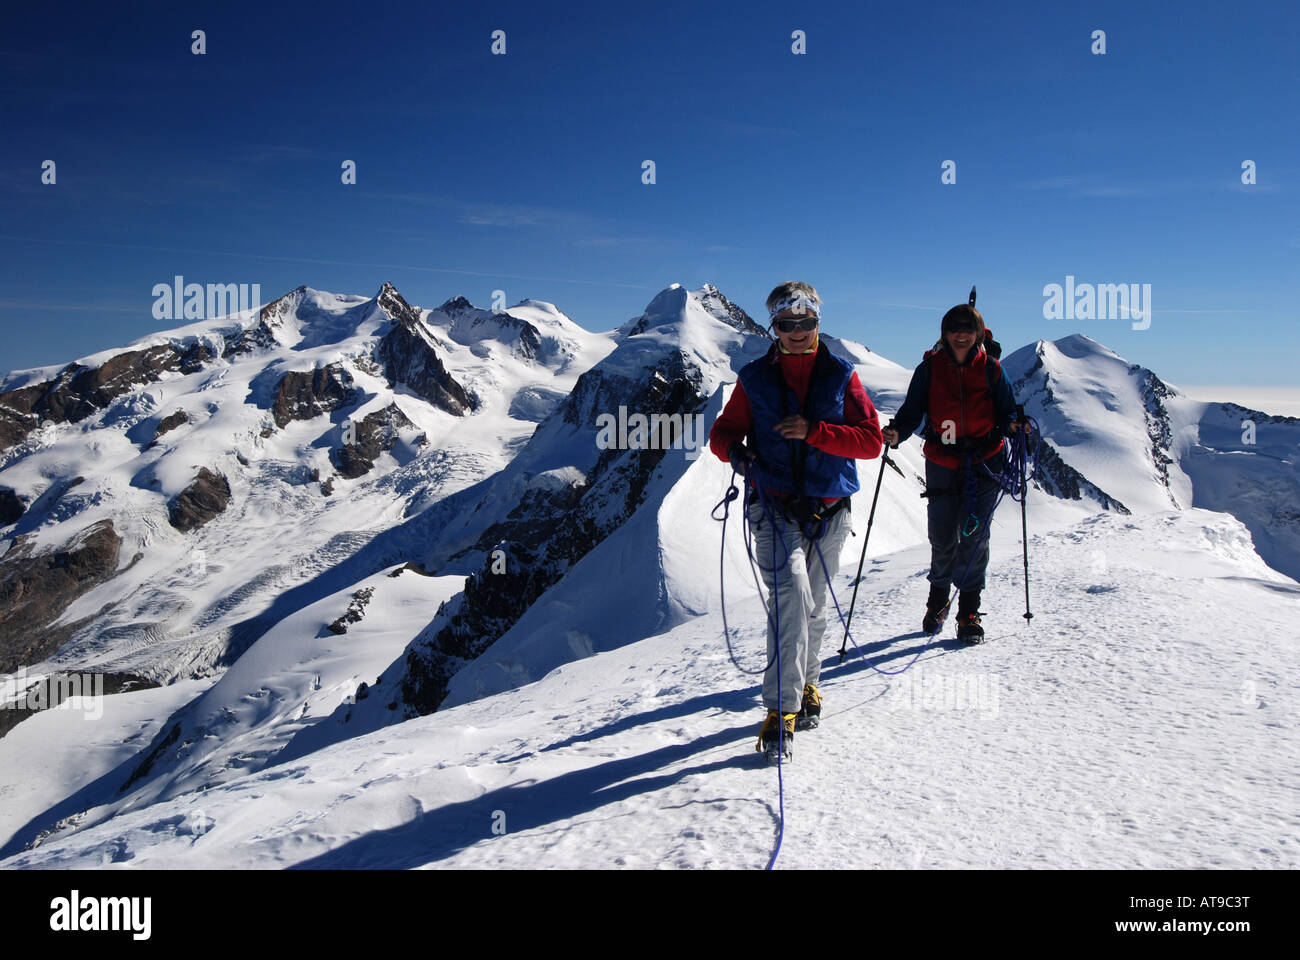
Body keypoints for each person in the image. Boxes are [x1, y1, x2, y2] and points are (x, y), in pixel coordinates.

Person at [709, 281, 883, 760]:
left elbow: (870, 441)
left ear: (818, 323)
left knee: (813, 607)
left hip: (829, 508)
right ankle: (780, 709)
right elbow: (722, 433)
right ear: (774, 328)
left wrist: (815, 432)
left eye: (806, 323)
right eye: (788, 324)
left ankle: (809, 684)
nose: (798, 332)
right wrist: (737, 455)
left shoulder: (842, 376)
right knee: (793, 597)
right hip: (774, 504)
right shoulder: (754, 379)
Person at [881, 291, 1025, 642]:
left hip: (984, 462)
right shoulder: (930, 368)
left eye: (967, 329)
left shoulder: (991, 369)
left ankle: (968, 611)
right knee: (943, 537)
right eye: (954, 329)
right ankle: (938, 600)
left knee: (974, 538)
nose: (961, 334)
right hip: (944, 461)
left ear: (978, 333)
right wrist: (898, 430)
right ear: (945, 333)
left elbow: (1007, 407)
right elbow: (913, 408)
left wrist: (1013, 425)